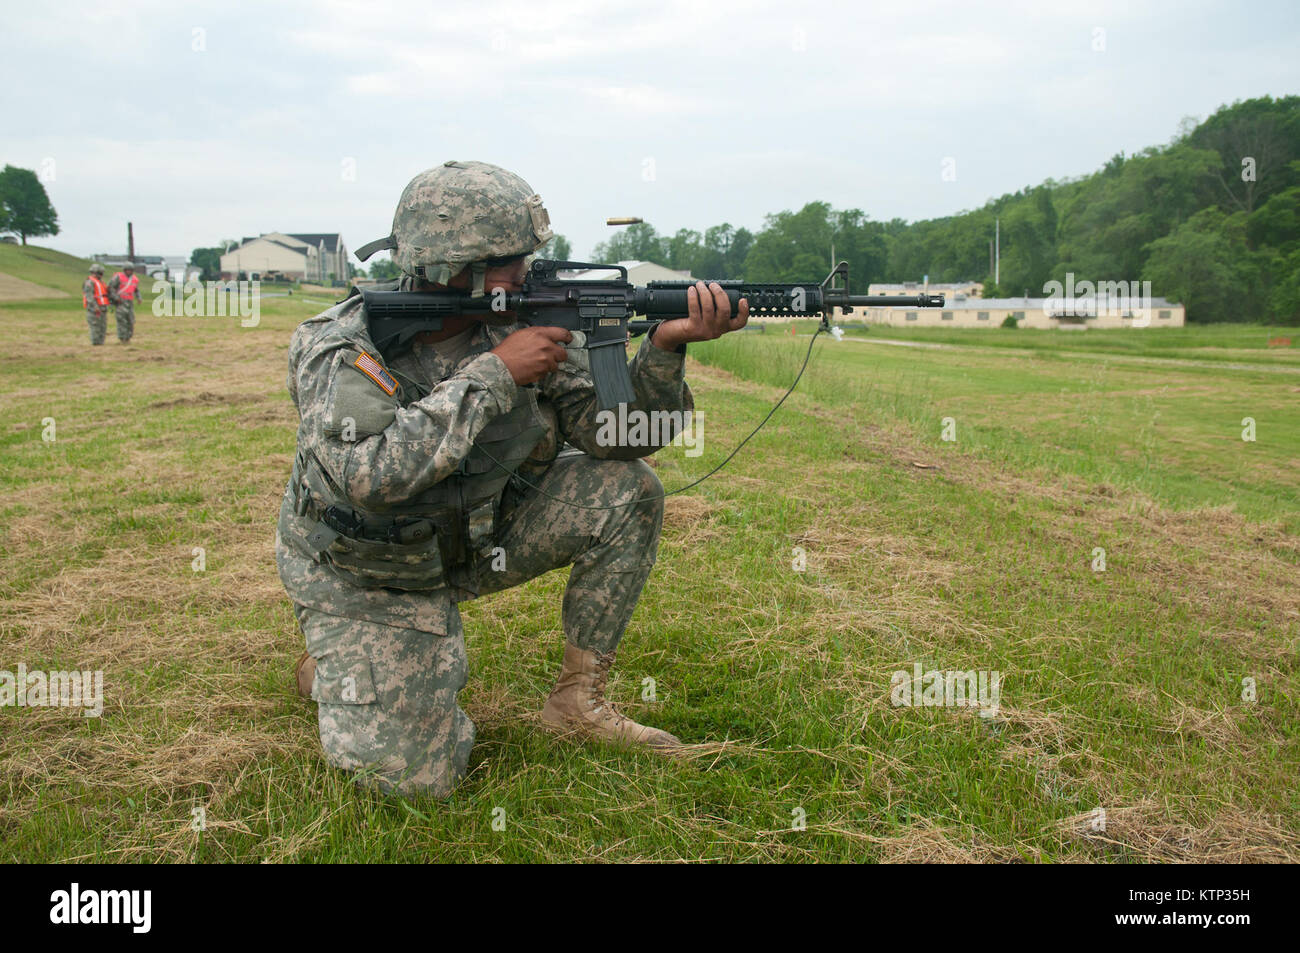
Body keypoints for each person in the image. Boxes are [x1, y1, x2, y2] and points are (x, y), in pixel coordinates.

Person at [275, 160, 749, 797]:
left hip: (475, 538)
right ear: (448, 267)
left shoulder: (522, 321)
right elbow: (370, 476)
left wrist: (664, 350)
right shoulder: (342, 345)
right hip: (370, 568)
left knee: (629, 490)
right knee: (415, 786)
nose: (525, 272)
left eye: (527, 255)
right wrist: (496, 375)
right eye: (507, 260)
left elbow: (623, 441)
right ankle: (335, 662)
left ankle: (577, 706)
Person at [106, 263, 139, 343]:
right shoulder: (118, 277)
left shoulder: (134, 279)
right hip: (120, 302)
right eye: (128, 270)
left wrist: (139, 297)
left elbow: (136, 289)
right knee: (122, 320)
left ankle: (128, 337)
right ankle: (122, 338)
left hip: (129, 302)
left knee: (130, 320)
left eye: (131, 270)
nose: (129, 272)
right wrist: (116, 298)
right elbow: (111, 288)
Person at [83, 263, 109, 345]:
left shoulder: (101, 282)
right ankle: (96, 343)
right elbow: (89, 297)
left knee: (102, 326)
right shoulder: (89, 283)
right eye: (99, 273)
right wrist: (95, 307)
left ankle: (101, 343)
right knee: (95, 326)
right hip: (94, 309)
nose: (101, 275)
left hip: (103, 307)